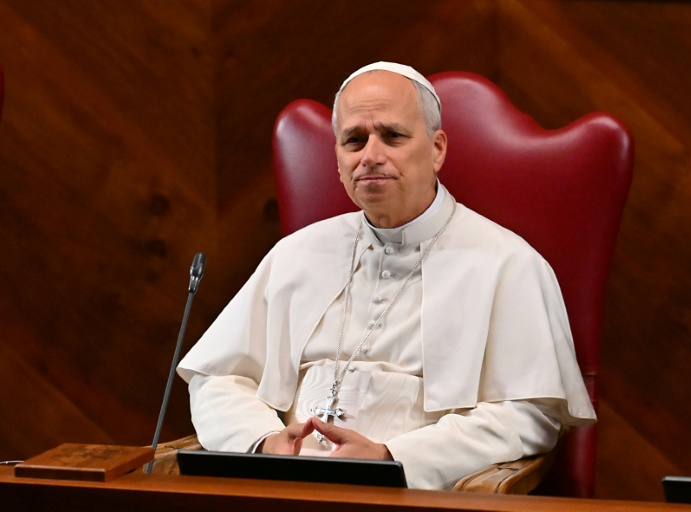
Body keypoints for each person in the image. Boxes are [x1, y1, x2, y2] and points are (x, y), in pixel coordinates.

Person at [177, 62, 596, 491]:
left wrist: (391, 458)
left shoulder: (508, 264)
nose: (370, 156)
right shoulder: (295, 255)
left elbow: (527, 415)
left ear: (437, 149)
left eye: (392, 136)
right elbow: (217, 377)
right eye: (354, 140)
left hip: (419, 498)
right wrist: (262, 441)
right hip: (280, 492)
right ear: (338, 160)